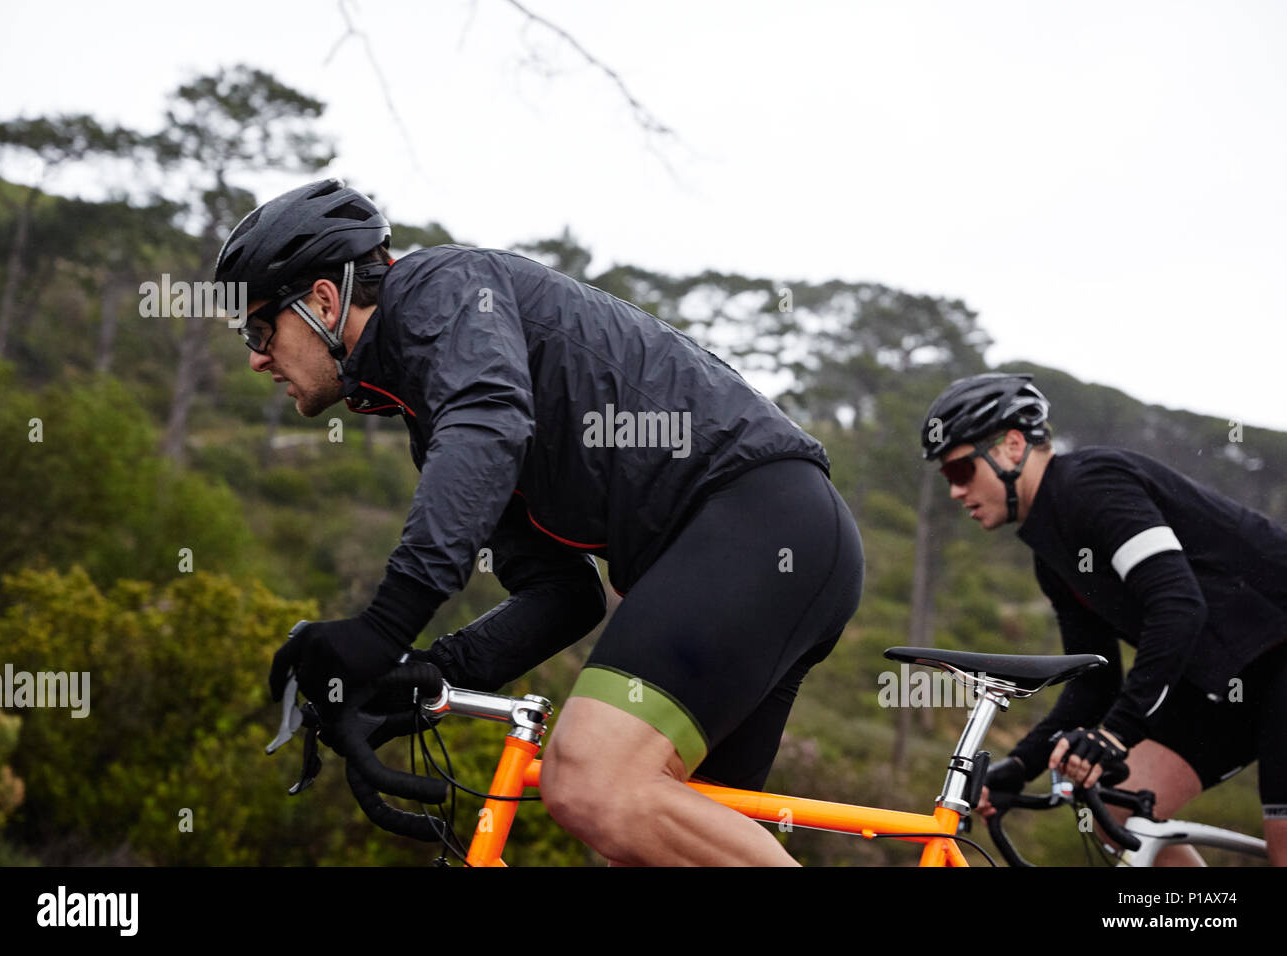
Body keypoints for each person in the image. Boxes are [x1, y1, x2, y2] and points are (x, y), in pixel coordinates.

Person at [216, 178, 863, 866]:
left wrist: (383, 627)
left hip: (756, 528)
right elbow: (562, 592)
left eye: (259, 329)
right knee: (651, 843)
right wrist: (428, 671)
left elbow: (487, 421)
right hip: (771, 548)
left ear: (321, 300)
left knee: (591, 783)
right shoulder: (435, 398)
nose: (257, 358)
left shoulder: (441, 287)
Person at [920, 372, 1287, 865]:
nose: (955, 493)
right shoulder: (1050, 551)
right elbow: (1096, 683)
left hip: (1277, 653)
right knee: (1119, 811)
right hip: (1229, 681)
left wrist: (1114, 733)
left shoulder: (1092, 486)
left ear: (1011, 447)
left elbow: (1178, 606)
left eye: (960, 472)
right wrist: (1021, 764)